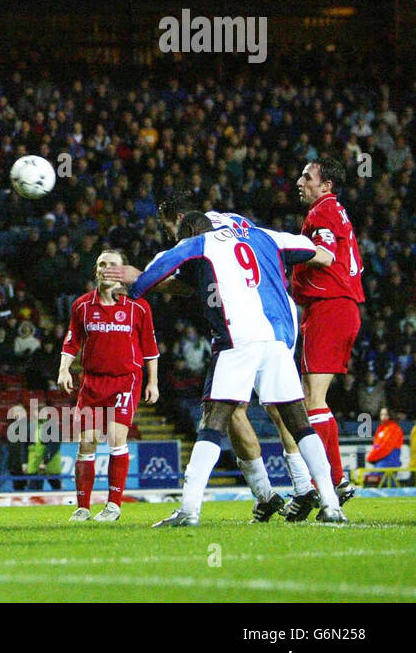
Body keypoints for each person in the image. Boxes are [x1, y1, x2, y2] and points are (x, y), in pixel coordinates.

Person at [106, 211, 347, 526]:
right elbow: (309, 249)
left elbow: (158, 270)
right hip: (276, 340)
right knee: (299, 423)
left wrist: (133, 287)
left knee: (213, 422)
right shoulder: (265, 235)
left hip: (237, 340)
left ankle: (189, 509)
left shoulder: (199, 242)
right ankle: (331, 504)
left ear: (189, 231)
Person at [154, 189, 307, 520]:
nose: (171, 238)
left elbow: (185, 283)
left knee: (228, 408)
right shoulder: (236, 221)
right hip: (278, 312)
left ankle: (281, 489)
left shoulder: (198, 238)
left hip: (247, 323)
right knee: (269, 406)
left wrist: (145, 282)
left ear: (179, 221)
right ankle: (296, 487)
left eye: (169, 230)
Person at [57, 248, 159, 522]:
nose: (105, 268)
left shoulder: (139, 306)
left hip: (126, 380)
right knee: (87, 443)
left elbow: (150, 348)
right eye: (101, 264)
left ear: (123, 272)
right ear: (96, 271)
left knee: (116, 438)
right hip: (92, 381)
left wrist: (154, 382)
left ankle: (113, 505)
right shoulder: (81, 305)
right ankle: (82, 507)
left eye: (112, 264)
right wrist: (64, 369)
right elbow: (71, 341)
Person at [289, 157, 365, 506]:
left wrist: (283, 250)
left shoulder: (322, 211)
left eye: (307, 176)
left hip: (329, 307)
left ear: (326, 186)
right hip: (341, 308)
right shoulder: (336, 211)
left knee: (311, 401)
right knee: (316, 400)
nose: (300, 181)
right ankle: (335, 480)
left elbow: (325, 256)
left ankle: (326, 486)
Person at [364, 407, 403, 484]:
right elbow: (377, 446)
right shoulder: (381, 429)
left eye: (386, 414)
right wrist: (373, 455)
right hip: (380, 462)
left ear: (390, 415)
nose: (383, 417)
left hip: (390, 461)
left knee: (372, 481)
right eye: (382, 414)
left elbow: (386, 447)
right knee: (383, 484)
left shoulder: (394, 428)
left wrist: (371, 457)